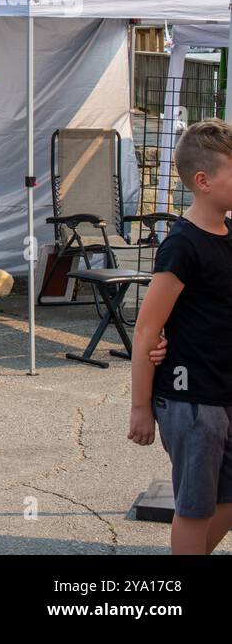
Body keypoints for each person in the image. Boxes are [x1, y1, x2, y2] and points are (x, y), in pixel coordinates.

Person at [129, 119, 232, 554]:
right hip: (192, 402)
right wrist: (140, 408)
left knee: (222, 502)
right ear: (203, 181)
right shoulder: (182, 244)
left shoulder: (228, 237)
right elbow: (147, 329)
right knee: (195, 509)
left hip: (223, 394)